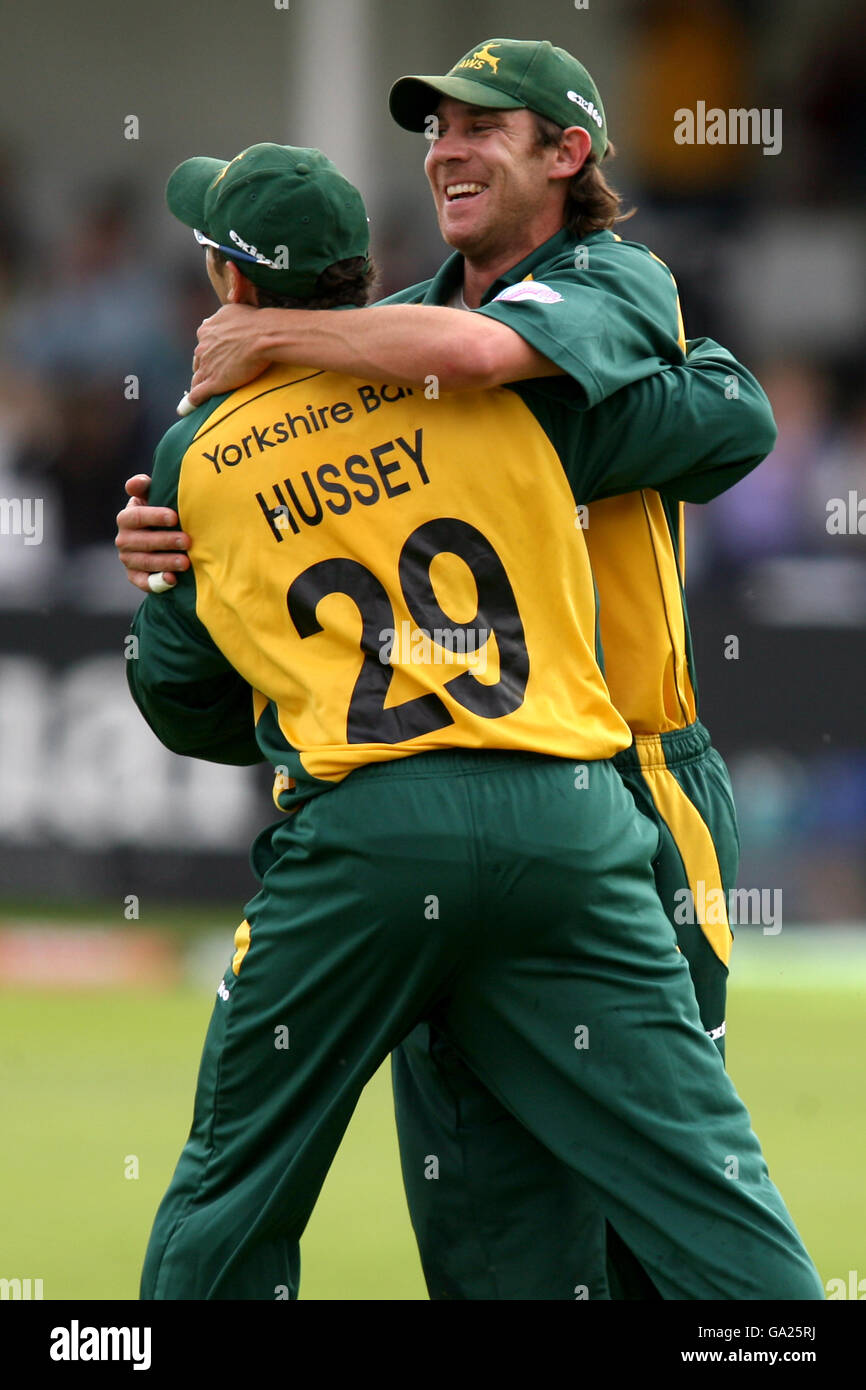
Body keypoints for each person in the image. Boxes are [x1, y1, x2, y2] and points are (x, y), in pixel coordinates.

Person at [118, 41, 764, 1299]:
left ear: (567, 153)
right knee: (492, 1202)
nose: (447, 151)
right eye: (435, 130)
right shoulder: (393, 336)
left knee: (655, 1212)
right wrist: (184, 541)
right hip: (516, 801)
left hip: (632, 773)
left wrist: (271, 356)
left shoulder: (608, 278)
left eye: (482, 127)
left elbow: (734, 414)